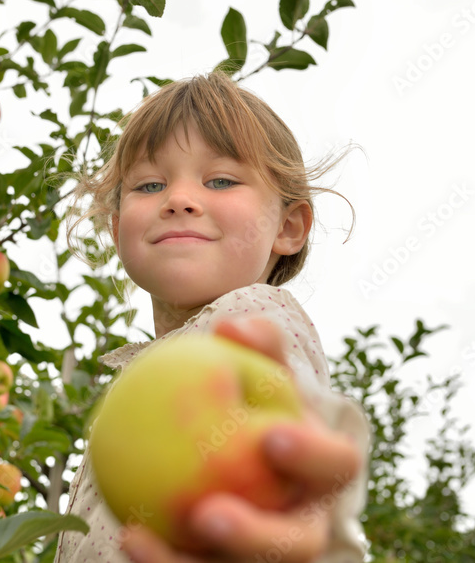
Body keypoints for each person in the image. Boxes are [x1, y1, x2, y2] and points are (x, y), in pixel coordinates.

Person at [57, 71, 371, 562]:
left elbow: (298, 418)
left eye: (221, 180)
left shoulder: (251, 318)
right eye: (150, 184)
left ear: (288, 227)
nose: (178, 199)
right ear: (118, 230)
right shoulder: (144, 381)